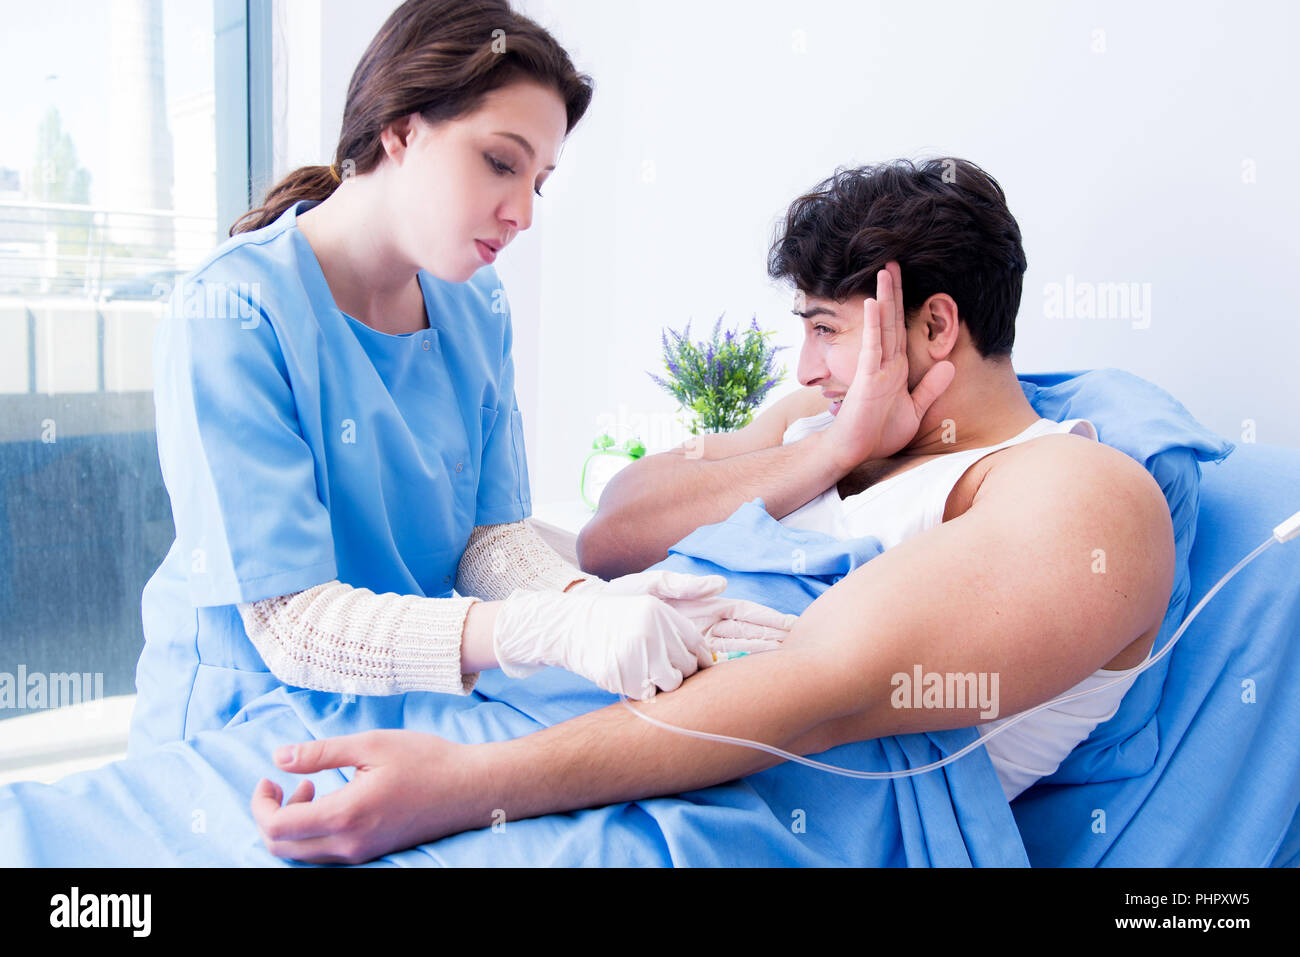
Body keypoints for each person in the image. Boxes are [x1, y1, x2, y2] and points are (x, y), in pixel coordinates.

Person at [250, 158, 1176, 864]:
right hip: (586, 710)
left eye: (824, 329)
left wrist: (466, 788)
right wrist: (829, 448)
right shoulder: (830, 427)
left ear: (934, 327)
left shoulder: (1078, 493)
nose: (807, 367)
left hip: (738, 802)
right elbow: (618, 527)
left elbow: (825, 687)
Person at [128, 0, 794, 759]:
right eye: (500, 162)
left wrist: (588, 600)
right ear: (401, 129)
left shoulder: (474, 303)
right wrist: (541, 630)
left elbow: (489, 539)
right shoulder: (231, 312)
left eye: (538, 181)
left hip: (400, 702)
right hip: (247, 722)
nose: (522, 215)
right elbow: (292, 621)